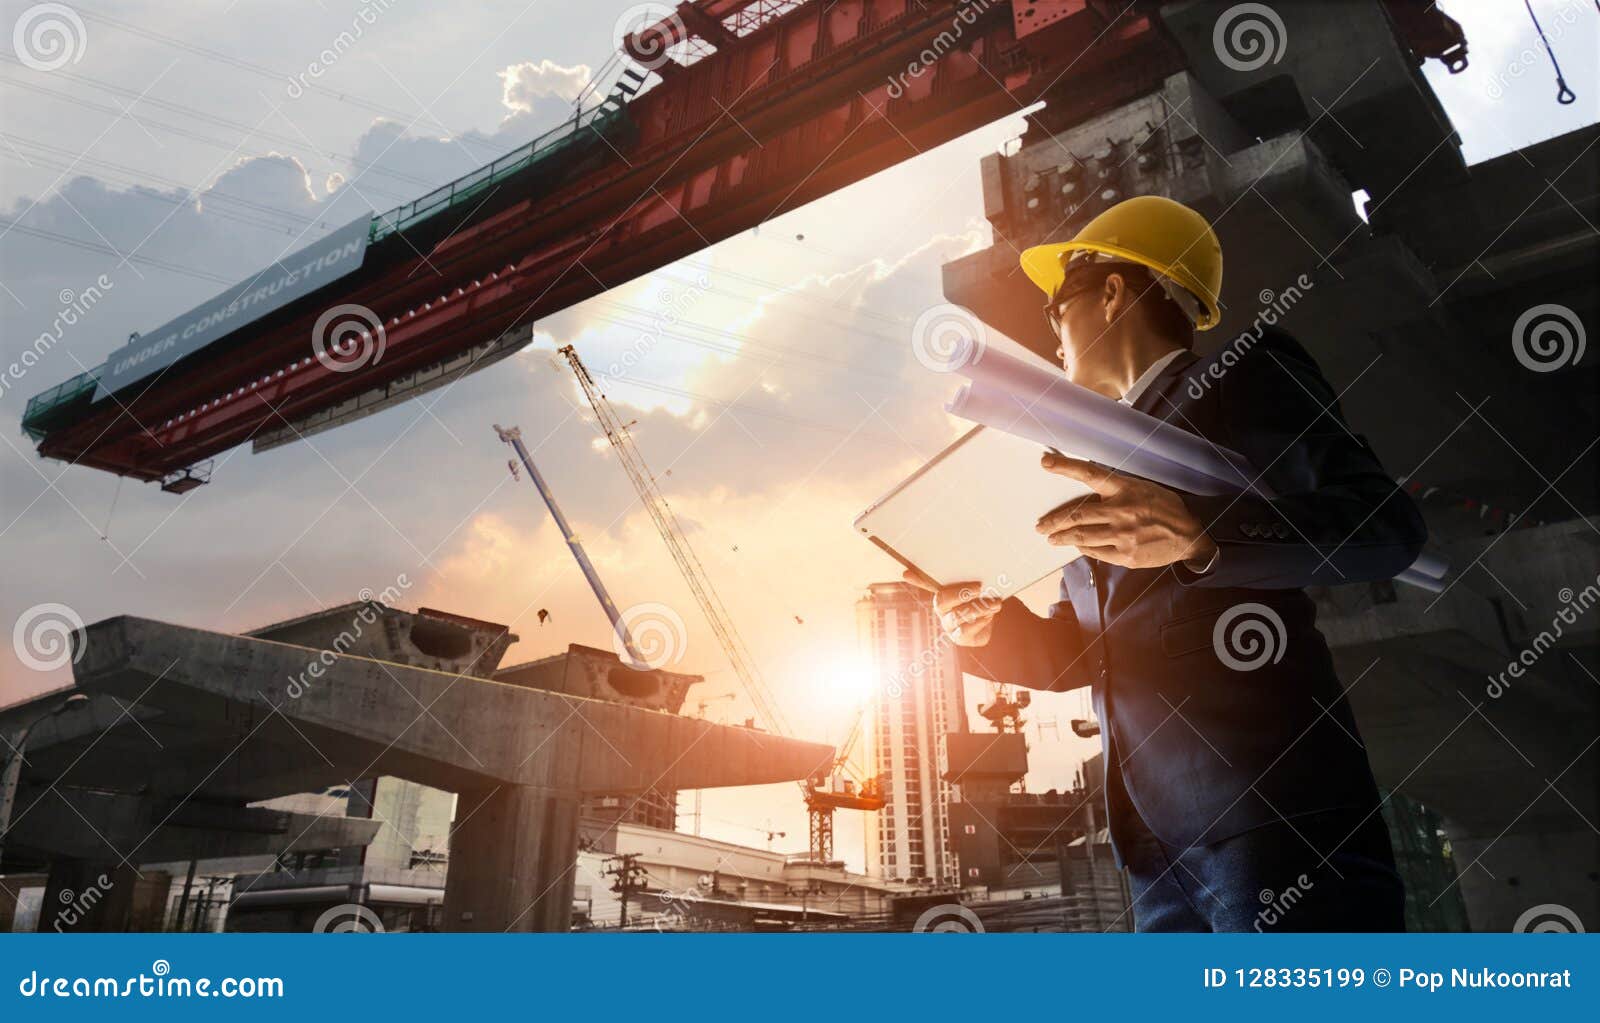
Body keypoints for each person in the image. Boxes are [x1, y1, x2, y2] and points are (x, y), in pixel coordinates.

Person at [909, 195, 1426, 932]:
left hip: (1275, 822)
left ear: (1113, 290)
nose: (1053, 335)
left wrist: (1200, 534)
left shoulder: (1243, 377)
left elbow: (1386, 526)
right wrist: (983, 630)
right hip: (1154, 853)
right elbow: (1080, 656)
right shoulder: (1090, 461)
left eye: (1057, 308)